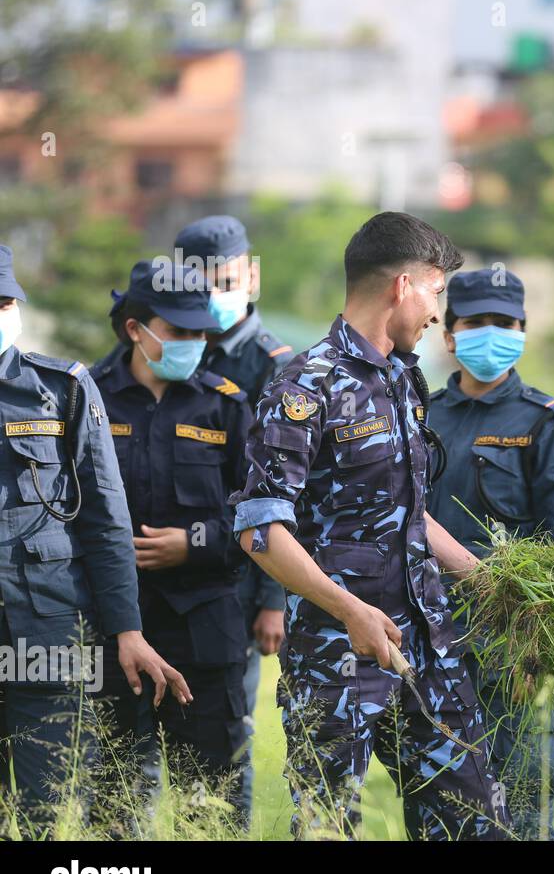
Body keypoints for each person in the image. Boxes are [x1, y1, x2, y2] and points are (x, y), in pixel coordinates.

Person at [231, 212, 510, 840]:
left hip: (427, 643)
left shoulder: (405, 378)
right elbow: (259, 529)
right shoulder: (305, 384)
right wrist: (349, 610)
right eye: (437, 293)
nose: (440, 314)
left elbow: (410, 514)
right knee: (328, 827)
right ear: (402, 286)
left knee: (474, 823)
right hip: (337, 657)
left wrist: (491, 579)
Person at [0, 244, 191, 835]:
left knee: (46, 811)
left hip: (48, 634)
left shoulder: (64, 390)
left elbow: (106, 523)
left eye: (5, 300)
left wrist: (127, 630)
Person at [424, 266, 554, 840]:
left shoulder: (547, 421)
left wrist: (536, 646)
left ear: (522, 330)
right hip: (429, 640)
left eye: (504, 323)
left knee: (520, 810)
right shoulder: (419, 417)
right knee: (438, 807)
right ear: (448, 334)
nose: (489, 334)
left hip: (509, 644)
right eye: (475, 323)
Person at [90, 259, 252, 820]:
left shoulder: (226, 405)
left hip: (203, 624)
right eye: (178, 332)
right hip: (111, 625)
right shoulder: (85, 399)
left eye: (201, 331)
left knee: (210, 795)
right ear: (136, 329)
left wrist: (196, 542)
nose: (194, 343)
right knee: (111, 796)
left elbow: (268, 517)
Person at [174, 214, 292, 825]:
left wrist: (273, 598)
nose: (216, 292)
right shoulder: (169, 354)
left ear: (251, 276)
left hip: (241, 585)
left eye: (226, 278)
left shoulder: (275, 369)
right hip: (165, 576)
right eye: (201, 281)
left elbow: (283, 491)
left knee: (224, 735)